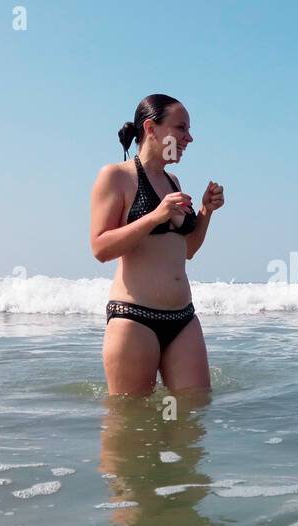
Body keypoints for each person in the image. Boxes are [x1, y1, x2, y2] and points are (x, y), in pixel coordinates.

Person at [90, 94, 224, 396]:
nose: (189, 137)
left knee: (194, 413)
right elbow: (100, 248)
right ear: (151, 128)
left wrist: (206, 211)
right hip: (134, 318)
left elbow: (187, 250)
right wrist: (154, 216)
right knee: (129, 427)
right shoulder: (115, 176)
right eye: (181, 128)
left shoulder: (174, 181)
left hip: (182, 318)